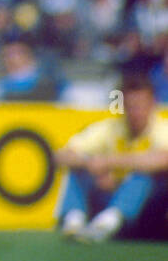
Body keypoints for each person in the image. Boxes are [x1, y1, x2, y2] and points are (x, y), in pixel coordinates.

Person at [54, 67, 168, 243]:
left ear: (152, 104)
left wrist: (109, 163)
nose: (135, 112)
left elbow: (163, 159)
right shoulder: (109, 128)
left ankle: (108, 223)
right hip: (107, 193)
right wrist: (91, 165)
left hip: (148, 205)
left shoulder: (162, 128)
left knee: (142, 175)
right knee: (78, 170)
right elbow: (62, 155)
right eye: (130, 106)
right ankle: (74, 220)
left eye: (140, 106)